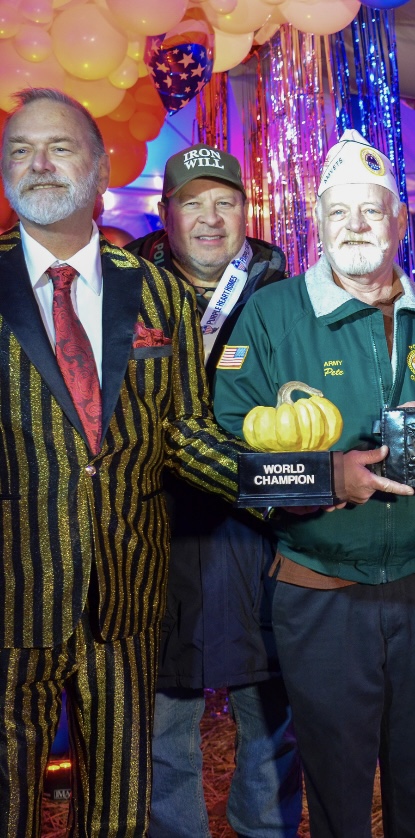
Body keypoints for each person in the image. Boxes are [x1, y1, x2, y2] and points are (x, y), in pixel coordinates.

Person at [0, 88, 247, 836]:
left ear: (102, 165)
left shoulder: (161, 293)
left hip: (127, 603)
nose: (39, 164)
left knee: (117, 811)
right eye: (19, 151)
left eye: (60, 147)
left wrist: (309, 477)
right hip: (11, 601)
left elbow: (186, 432)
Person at [214, 129, 415, 838]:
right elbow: (233, 457)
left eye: (370, 210)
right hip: (318, 581)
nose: (354, 226)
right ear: (317, 223)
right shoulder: (272, 317)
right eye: (337, 213)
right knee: (336, 770)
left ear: (399, 220)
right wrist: (327, 474)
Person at [125, 145, 301, 838]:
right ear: (165, 213)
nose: (208, 218)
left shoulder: (287, 297)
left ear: (244, 212)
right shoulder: (122, 294)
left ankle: (266, 831)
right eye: (191, 203)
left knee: (272, 717)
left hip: (262, 536)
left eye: (223, 202)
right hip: (155, 538)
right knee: (164, 722)